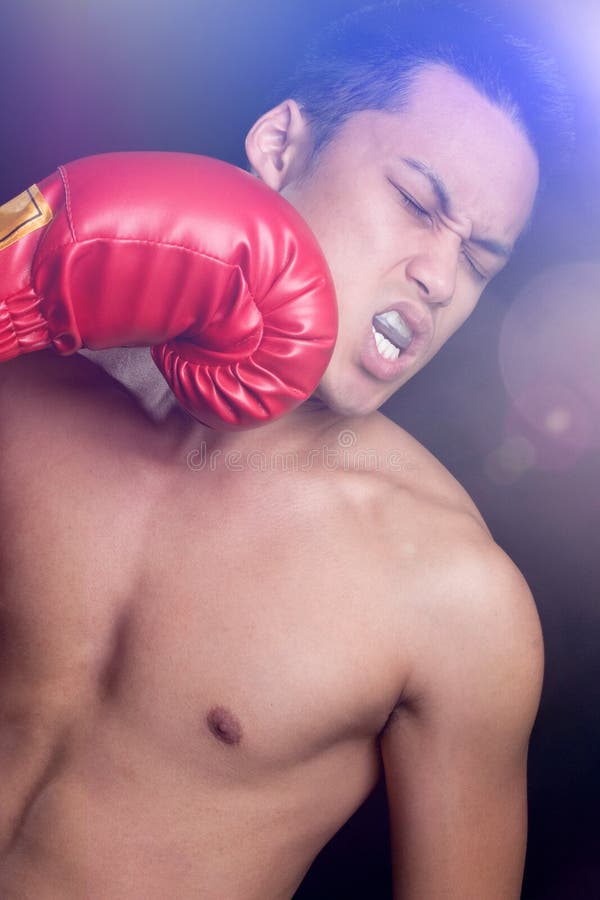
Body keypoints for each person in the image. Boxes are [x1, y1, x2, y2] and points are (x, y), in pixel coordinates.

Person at [0, 1, 572, 897]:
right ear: (279, 148)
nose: (436, 273)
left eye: (479, 262)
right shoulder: (31, 383)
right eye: (419, 202)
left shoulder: (455, 597)